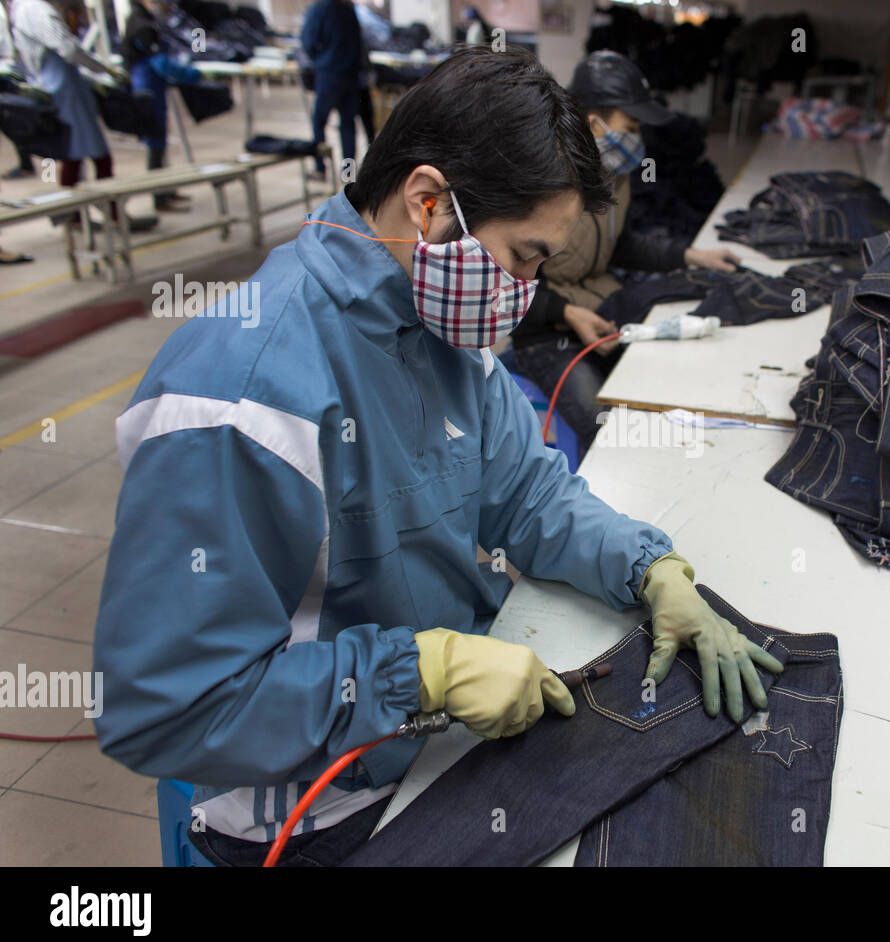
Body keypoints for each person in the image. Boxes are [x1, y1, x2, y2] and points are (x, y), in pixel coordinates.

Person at [92, 46, 781, 867]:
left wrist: (650, 570)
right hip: (324, 801)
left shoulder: (441, 329)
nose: (525, 290)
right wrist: (420, 673)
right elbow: (165, 707)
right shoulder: (242, 397)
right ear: (428, 204)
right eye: (524, 256)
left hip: (436, 738)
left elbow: (527, 497)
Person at [509, 50, 739, 456]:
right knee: (608, 434)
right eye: (629, 127)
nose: (637, 139)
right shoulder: (540, 182)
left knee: (665, 390)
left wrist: (691, 256)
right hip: (546, 333)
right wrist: (566, 314)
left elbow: (621, 245)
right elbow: (504, 282)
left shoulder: (614, 174)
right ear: (591, 122)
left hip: (603, 308)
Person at [11, 0, 152, 231]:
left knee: (75, 156)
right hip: (65, 89)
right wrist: (101, 68)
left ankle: (82, 215)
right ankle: (103, 215)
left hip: (64, 84)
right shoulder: (35, 8)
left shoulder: (26, 8)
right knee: (93, 156)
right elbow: (68, 49)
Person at [122, 0, 196, 212]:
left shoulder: (147, 21)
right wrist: (190, 75)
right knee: (155, 145)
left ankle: (166, 191)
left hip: (154, 88)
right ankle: (159, 197)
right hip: (146, 91)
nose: (166, 7)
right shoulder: (141, 24)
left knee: (160, 144)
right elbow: (160, 64)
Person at [300, 0, 361, 182]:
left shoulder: (320, 9)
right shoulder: (348, 9)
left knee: (319, 122)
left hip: (329, 74)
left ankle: (320, 168)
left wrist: (320, 60)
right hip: (350, 74)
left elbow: (308, 41)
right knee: (348, 126)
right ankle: (348, 173)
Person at [0, 0, 38, 178]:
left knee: (14, 121)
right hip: (13, 69)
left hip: (8, 71)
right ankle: (27, 163)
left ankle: (30, 165)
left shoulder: (28, 7)